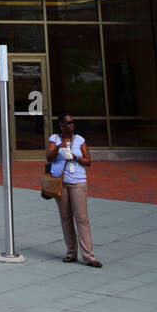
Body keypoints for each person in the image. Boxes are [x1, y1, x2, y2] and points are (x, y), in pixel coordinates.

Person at [46, 112, 102, 267]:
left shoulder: (80, 140)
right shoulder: (54, 139)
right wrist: (59, 148)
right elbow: (49, 157)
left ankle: (89, 257)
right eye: (68, 123)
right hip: (60, 182)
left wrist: (75, 157)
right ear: (61, 125)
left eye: (72, 122)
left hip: (78, 183)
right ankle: (71, 253)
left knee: (82, 218)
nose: (71, 125)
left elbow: (88, 161)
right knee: (66, 218)